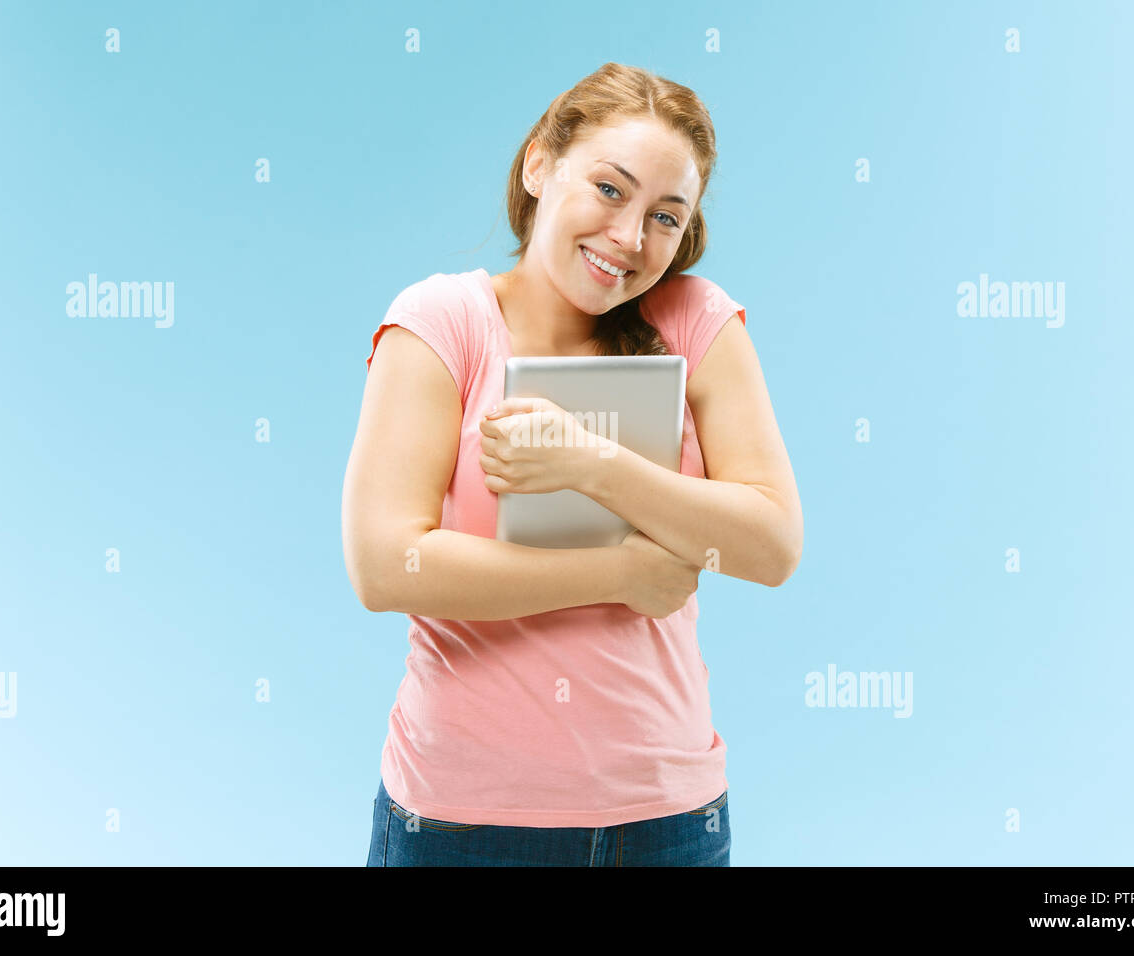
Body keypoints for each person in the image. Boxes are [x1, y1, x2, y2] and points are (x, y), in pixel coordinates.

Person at [343, 62, 802, 866]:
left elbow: (770, 546)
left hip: (667, 822)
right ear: (538, 165)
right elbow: (387, 565)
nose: (630, 238)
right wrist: (621, 573)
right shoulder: (441, 321)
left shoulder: (696, 322)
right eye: (610, 189)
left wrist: (589, 462)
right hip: (458, 825)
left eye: (666, 215)